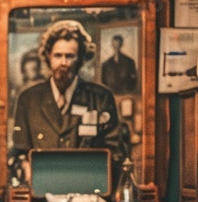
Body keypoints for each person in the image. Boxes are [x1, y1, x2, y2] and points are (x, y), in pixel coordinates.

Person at [10, 19, 130, 172]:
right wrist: (26, 167)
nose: (63, 63)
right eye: (57, 55)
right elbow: (20, 151)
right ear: (48, 56)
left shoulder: (101, 98)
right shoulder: (28, 99)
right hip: (41, 183)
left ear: (81, 58)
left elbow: (114, 151)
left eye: (70, 56)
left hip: (87, 183)